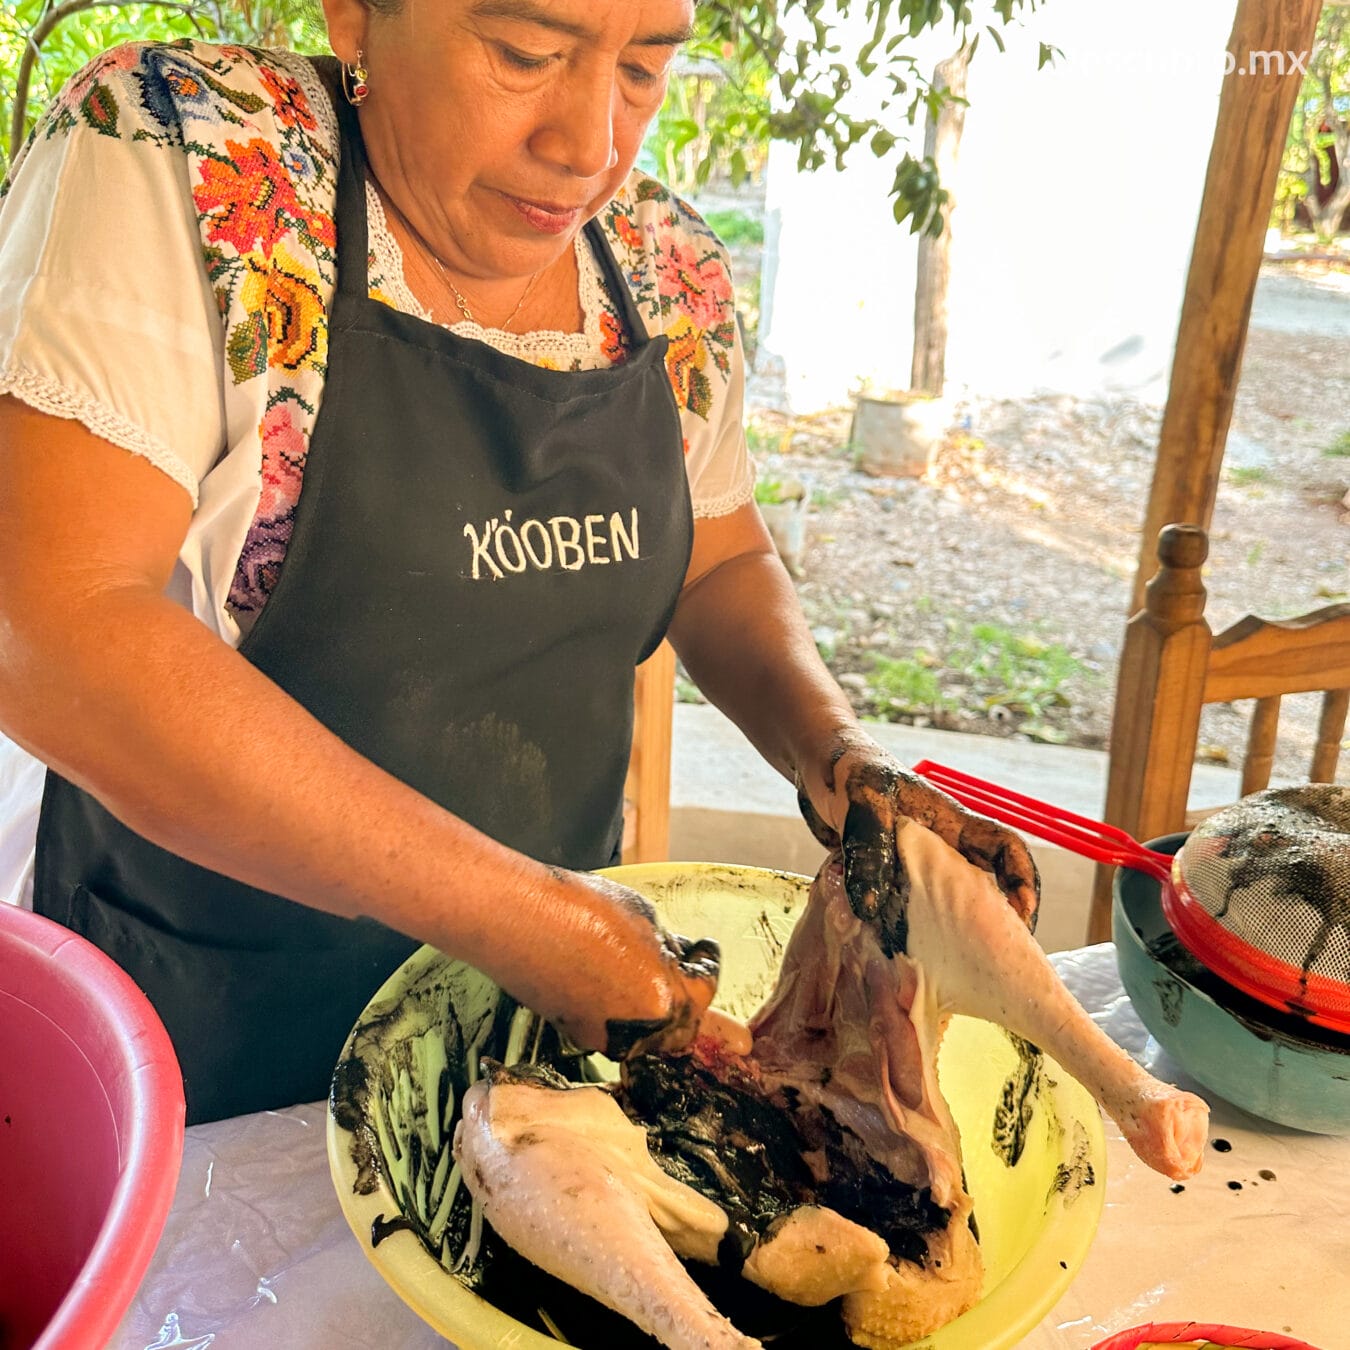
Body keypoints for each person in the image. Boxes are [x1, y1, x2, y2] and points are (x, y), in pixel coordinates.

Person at [0, 0, 1038, 1125]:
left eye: (644, 69)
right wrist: (523, 918)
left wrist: (834, 752)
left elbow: (720, 556)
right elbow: (52, 625)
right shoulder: (180, 152)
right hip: (208, 1029)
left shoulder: (663, 260)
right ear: (356, 15)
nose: (590, 146)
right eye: (526, 54)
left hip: (551, 1041)